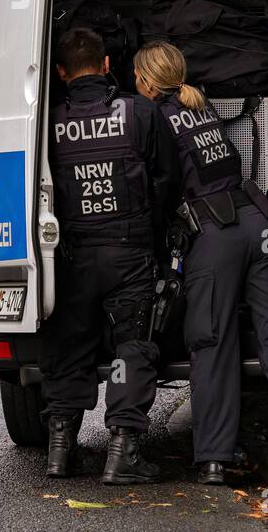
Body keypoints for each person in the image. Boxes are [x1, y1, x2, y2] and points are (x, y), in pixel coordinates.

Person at [132, 42, 268, 486]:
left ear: (148, 81)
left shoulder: (156, 116)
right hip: (258, 224)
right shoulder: (201, 106)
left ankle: (214, 457)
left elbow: (164, 188)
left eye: (137, 77)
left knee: (212, 342)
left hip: (215, 235)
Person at [42, 28, 181, 484]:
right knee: (133, 347)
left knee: (71, 345)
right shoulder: (139, 113)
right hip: (130, 254)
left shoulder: (47, 122)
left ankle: (60, 452)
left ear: (61, 74)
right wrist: (155, 242)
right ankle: (122, 451)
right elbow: (166, 182)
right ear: (106, 66)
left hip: (72, 258)